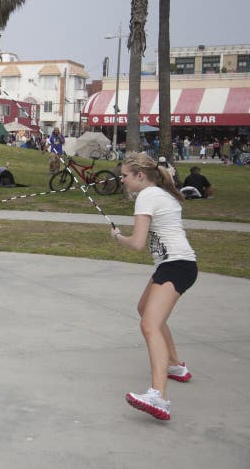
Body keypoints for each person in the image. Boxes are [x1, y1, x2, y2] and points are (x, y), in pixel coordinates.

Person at [110, 152, 197, 420]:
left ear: (140, 176)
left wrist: (118, 237)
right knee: (144, 309)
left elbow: (137, 244)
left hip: (177, 265)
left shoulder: (147, 195)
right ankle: (175, 366)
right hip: (174, 265)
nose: (122, 180)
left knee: (149, 325)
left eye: (125, 176)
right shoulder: (159, 193)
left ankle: (159, 397)